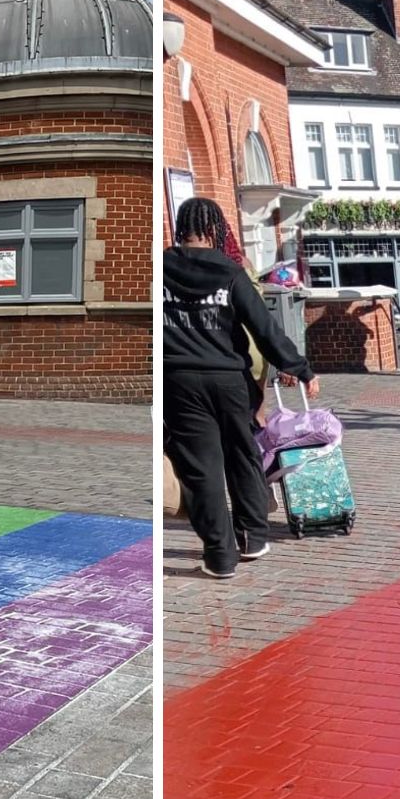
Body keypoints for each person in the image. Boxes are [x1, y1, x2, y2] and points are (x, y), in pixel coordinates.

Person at [164, 198, 317, 580]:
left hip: (180, 381)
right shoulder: (230, 272)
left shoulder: (161, 268)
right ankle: (252, 538)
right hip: (231, 380)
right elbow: (264, 329)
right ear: (214, 229)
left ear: (181, 228)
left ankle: (220, 557)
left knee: (202, 468)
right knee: (243, 456)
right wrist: (300, 369)